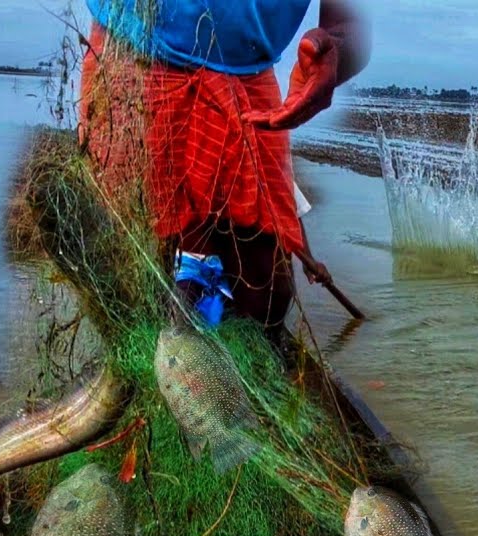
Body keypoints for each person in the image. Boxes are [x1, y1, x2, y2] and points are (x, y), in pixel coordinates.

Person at [78, 0, 368, 330]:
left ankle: (229, 344)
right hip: (134, 54)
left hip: (249, 75)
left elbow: (350, 25)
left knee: (268, 292)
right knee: (148, 266)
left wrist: (337, 52)